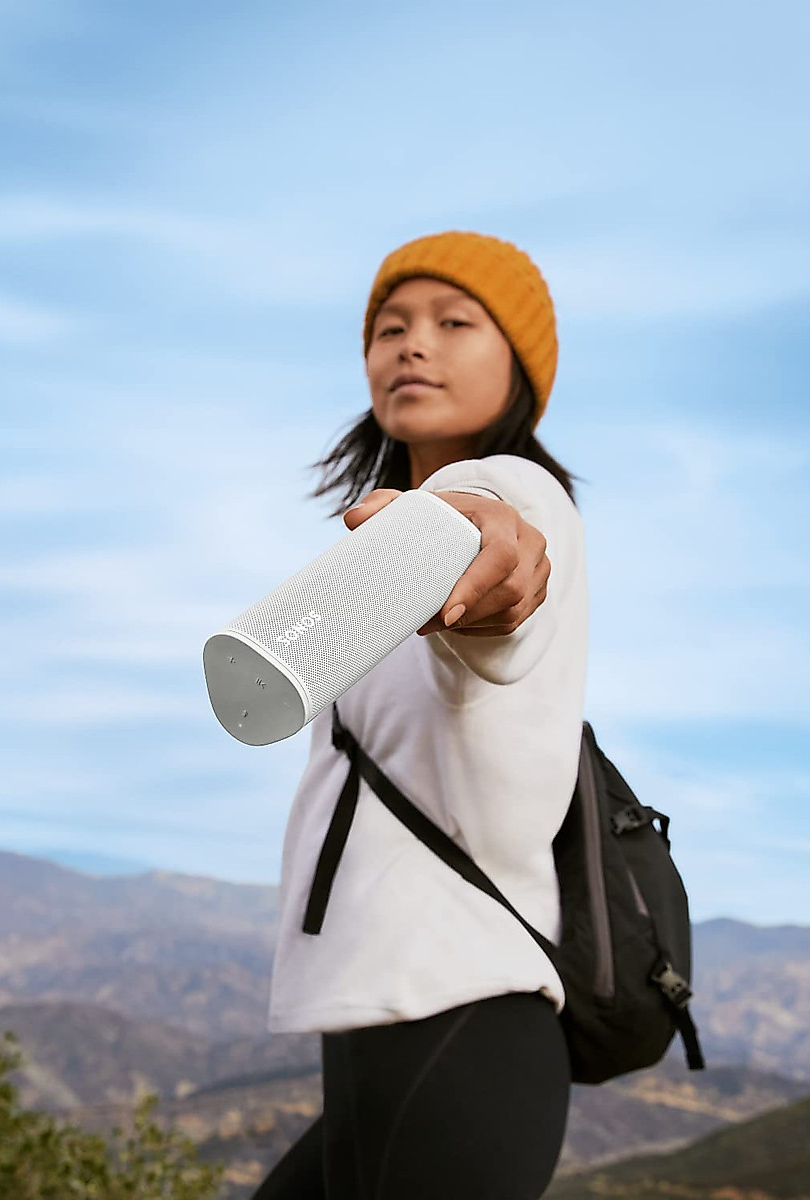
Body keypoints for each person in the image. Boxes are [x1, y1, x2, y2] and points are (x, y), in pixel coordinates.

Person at [251, 230, 590, 1200]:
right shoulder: (378, 542)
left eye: (454, 322)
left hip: (465, 1023)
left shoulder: (518, 495)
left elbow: (502, 542)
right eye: (389, 327)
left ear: (518, 366)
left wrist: (494, 562)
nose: (411, 345)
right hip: (386, 1034)